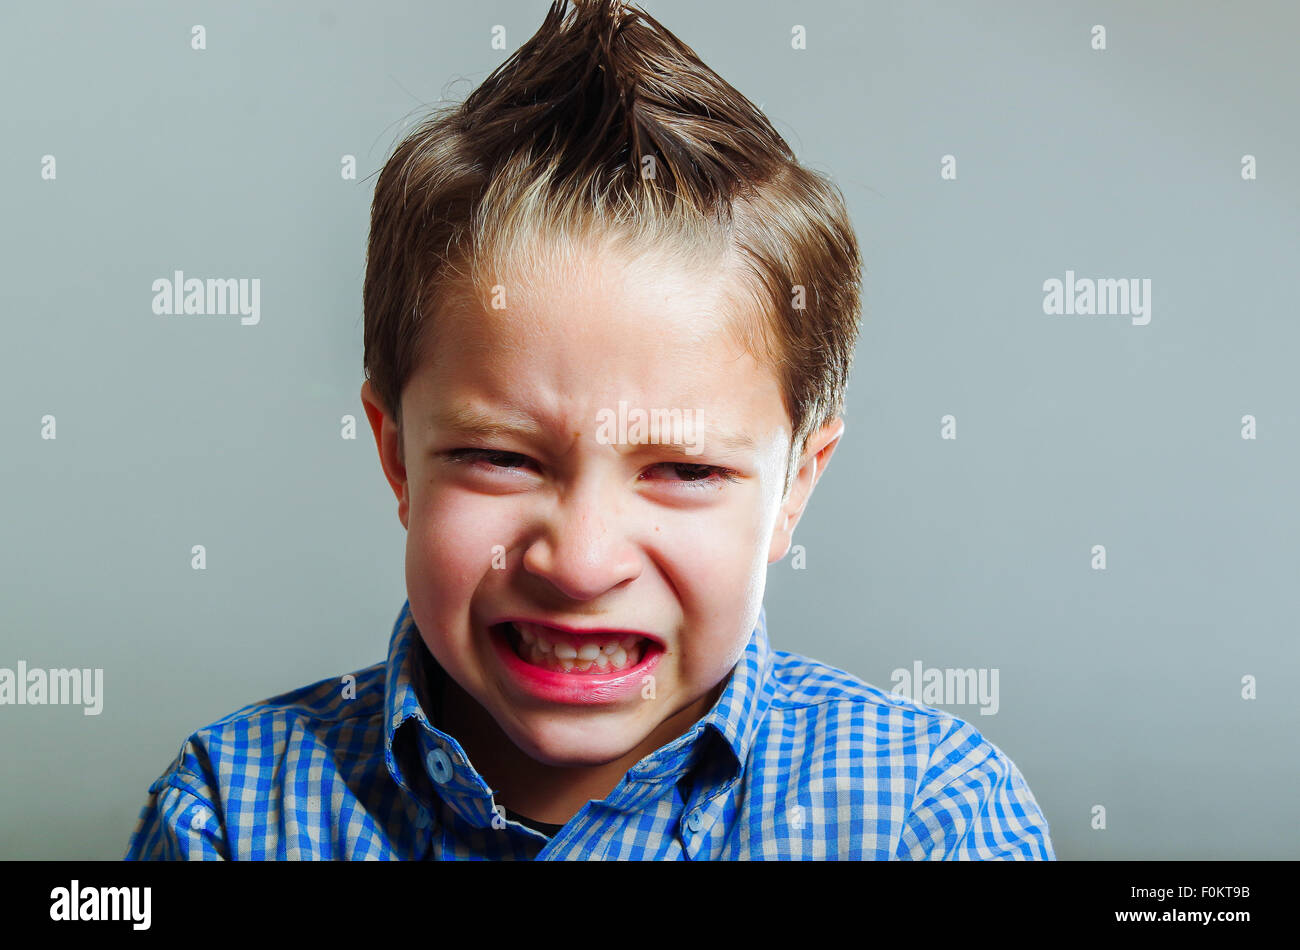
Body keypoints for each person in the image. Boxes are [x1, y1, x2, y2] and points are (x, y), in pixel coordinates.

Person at [126, 0, 1054, 860]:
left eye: (685, 470)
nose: (578, 562)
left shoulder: (923, 817)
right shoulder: (233, 816)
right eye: (498, 457)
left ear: (795, 487)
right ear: (396, 455)